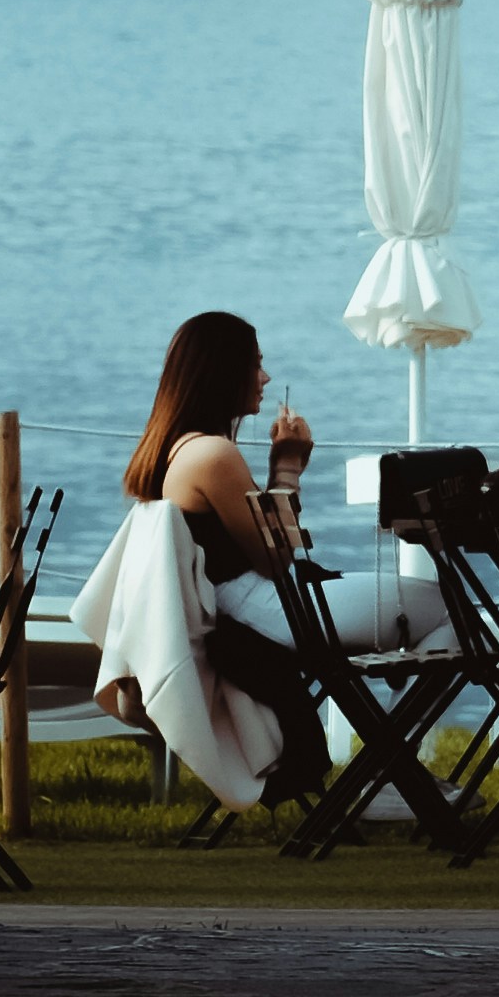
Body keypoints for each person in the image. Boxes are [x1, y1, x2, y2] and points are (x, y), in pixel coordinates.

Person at [112, 306, 325, 797]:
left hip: (245, 613)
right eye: (255, 364)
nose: (265, 377)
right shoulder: (213, 455)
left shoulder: (178, 450)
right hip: (261, 613)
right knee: (430, 606)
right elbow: (276, 560)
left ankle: (393, 779)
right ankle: (393, 782)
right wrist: (289, 467)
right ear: (222, 372)